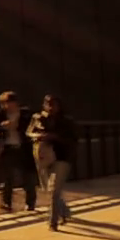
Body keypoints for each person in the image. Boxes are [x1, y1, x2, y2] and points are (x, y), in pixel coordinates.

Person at [28, 95, 78, 230]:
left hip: (62, 156)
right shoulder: (38, 118)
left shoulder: (66, 121)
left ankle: (53, 221)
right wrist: (38, 136)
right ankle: (64, 212)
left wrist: (55, 137)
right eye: (48, 104)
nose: (50, 107)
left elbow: (73, 139)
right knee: (47, 188)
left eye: (53, 104)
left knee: (55, 189)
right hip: (44, 155)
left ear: (59, 106)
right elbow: (29, 132)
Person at [0, 91, 37, 212]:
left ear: (14, 102)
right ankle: (6, 202)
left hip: (23, 148)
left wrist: (15, 124)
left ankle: (30, 203)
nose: (5, 106)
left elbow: (29, 127)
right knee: (7, 178)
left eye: (7, 102)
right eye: (2, 103)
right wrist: (2, 126)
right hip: (7, 148)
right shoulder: (0, 114)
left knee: (28, 177)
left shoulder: (26, 114)